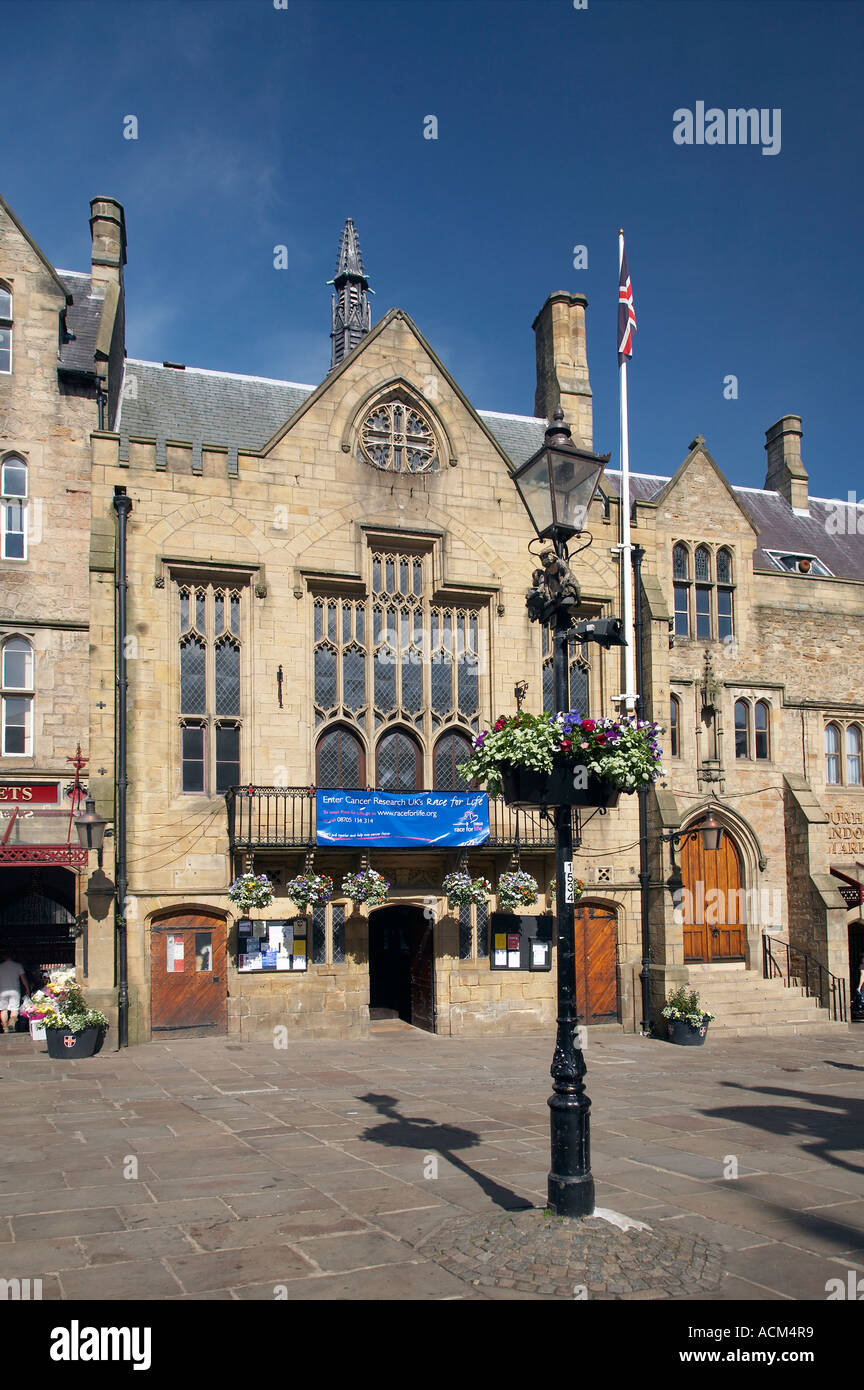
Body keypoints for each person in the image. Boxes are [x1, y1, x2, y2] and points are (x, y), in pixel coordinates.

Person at [0, 951, 29, 1034]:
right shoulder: (18, 966)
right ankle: (12, 1024)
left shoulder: (0, 966)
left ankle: (5, 1028)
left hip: (2, 991)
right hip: (15, 990)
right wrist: (27, 988)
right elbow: (23, 978)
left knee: (3, 1010)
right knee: (14, 1009)